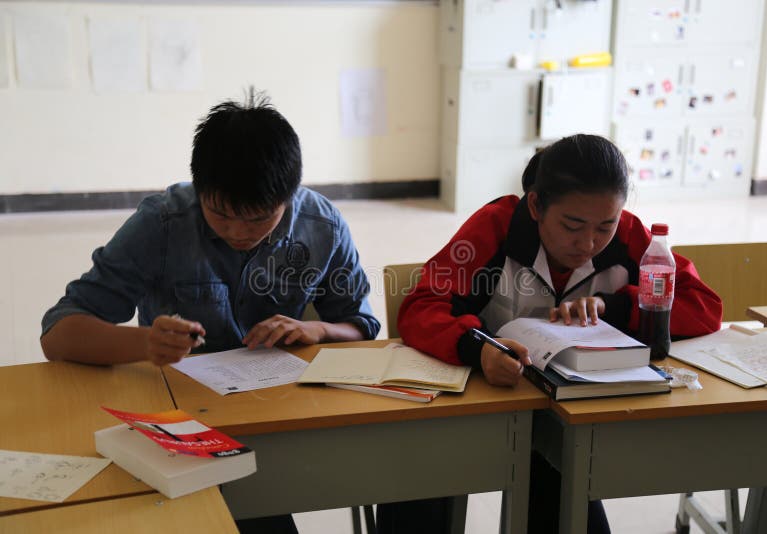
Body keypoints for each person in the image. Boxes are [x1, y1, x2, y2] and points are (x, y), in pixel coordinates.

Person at [40, 89, 380, 534]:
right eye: (219, 215)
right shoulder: (163, 223)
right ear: (200, 189)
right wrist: (144, 343)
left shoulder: (322, 225)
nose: (238, 232)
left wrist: (318, 330)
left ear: (288, 197)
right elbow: (58, 333)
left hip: (276, 415)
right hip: (180, 426)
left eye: (257, 219)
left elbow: (362, 327)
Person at [391, 134, 723, 533]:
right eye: (572, 225)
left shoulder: (629, 236)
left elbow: (704, 305)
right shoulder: (498, 226)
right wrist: (478, 349)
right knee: (415, 488)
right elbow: (423, 306)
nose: (588, 243)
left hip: (575, 421)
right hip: (486, 406)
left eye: (605, 226)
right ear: (535, 206)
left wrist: (616, 307)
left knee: (567, 504)